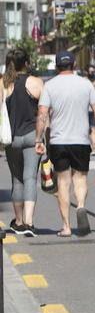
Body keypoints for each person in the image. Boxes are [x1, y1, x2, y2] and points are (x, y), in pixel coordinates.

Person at [35, 51, 95, 237]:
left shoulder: (49, 86)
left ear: (57, 66)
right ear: (73, 64)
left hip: (58, 141)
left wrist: (38, 139)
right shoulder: (85, 84)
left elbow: (42, 115)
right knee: (80, 178)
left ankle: (66, 226)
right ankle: (81, 206)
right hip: (80, 140)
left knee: (63, 183)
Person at [3, 49, 43, 237]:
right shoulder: (35, 82)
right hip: (31, 135)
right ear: (26, 63)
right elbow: (43, 113)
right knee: (30, 179)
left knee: (16, 180)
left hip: (11, 139)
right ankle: (29, 221)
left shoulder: (4, 84)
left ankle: (18, 222)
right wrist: (43, 138)